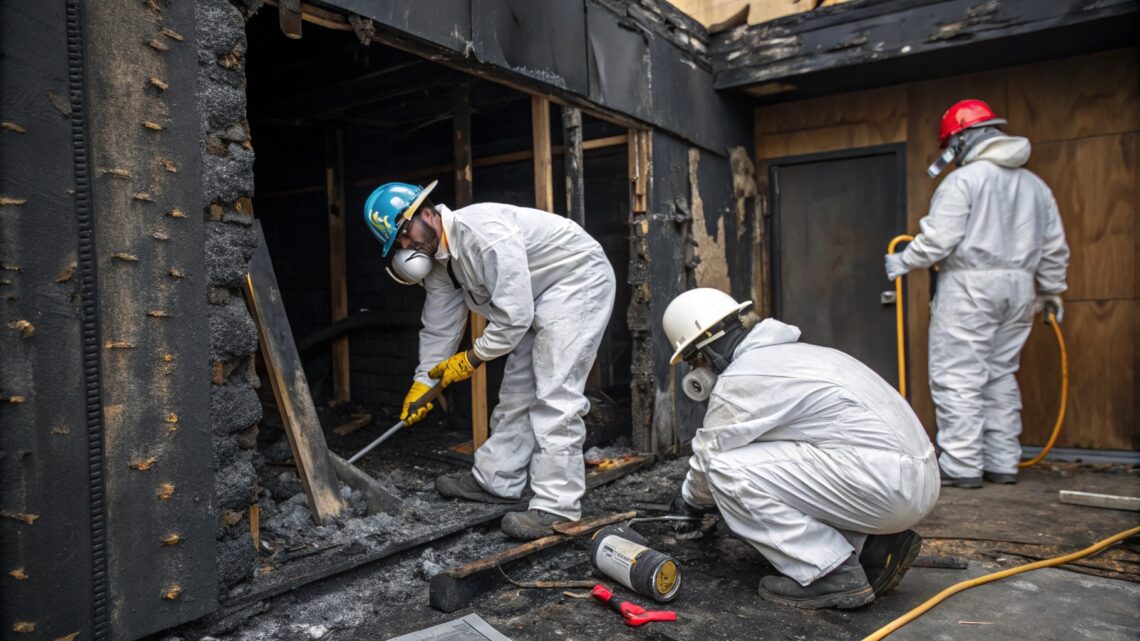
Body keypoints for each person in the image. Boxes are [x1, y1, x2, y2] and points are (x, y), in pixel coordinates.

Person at [363, 180, 616, 540]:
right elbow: (439, 328)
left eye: (405, 232)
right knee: (517, 392)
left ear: (428, 213)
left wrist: (472, 358)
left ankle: (557, 506)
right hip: (534, 298)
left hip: (575, 281)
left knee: (555, 393)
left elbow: (513, 317)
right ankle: (497, 479)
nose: (407, 247)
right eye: (398, 243)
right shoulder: (438, 263)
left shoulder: (482, 234)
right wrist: (424, 382)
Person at [664, 288, 939, 609]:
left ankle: (830, 574)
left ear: (704, 354)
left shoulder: (742, 378)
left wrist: (690, 503)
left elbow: (709, 456)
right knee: (767, 456)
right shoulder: (799, 354)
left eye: (693, 360)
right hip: (918, 478)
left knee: (725, 470)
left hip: (886, 487)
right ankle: (873, 549)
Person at [884, 99, 1070, 488]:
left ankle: (963, 465)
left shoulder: (963, 181)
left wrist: (901, 261)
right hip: (1020, 289)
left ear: (960, 141)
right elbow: (1054, 247)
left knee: (959, 376)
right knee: (1001, 374)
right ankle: (1003, 461)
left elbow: (938, 241)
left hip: (970, 287)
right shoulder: (1037, 186)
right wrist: (1051, 291)